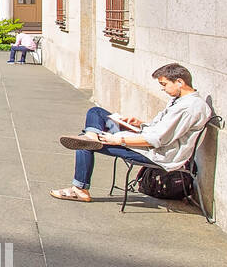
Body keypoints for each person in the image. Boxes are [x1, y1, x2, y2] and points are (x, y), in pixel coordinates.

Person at [51, 63, 212, 203]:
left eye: (164, 84)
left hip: (154, 153)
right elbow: (162, 129)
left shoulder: (190, 108)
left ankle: (80, 189)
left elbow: (157, 140)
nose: (162, 88)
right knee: (97, 112)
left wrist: (118, 140)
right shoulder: (180, 100)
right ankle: (92, 136)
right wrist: (140, 124)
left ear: (179, 82)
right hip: (142, 138)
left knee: (83, 144)